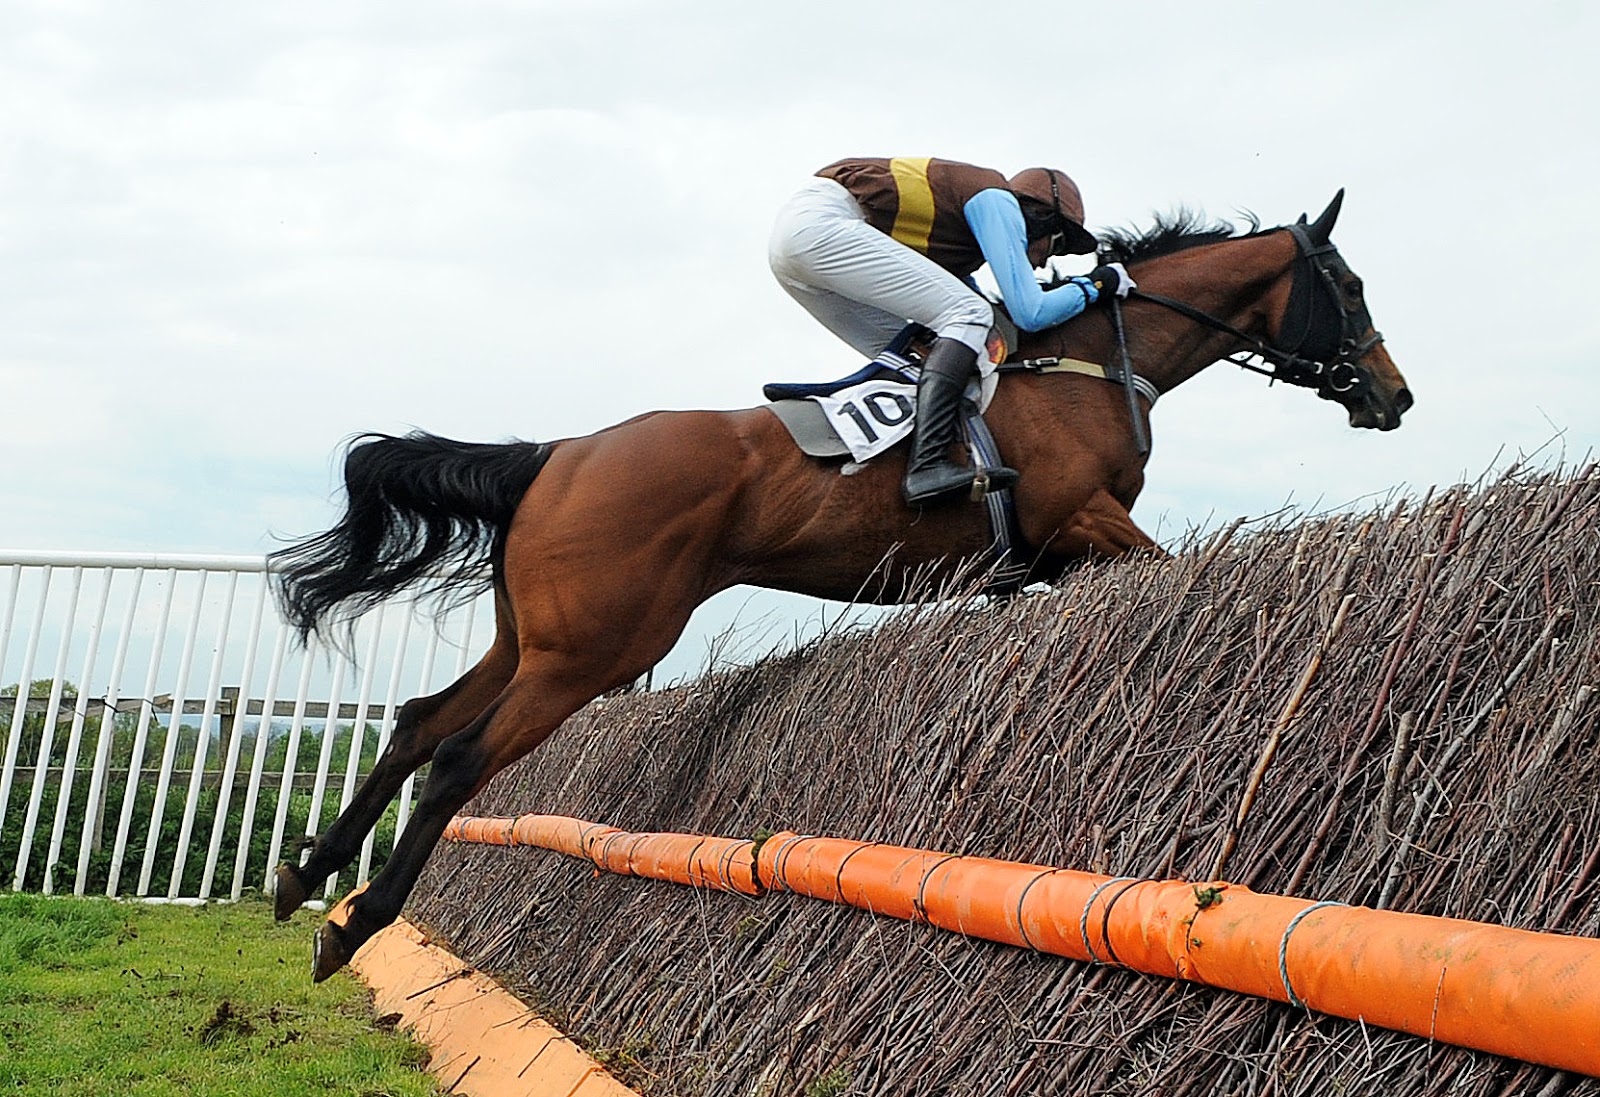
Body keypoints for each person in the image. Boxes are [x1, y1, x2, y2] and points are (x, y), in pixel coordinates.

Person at [769, 157, 1133, 506]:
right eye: (1056, 246)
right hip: (822, 225)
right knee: (967, 314)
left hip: (796, 245)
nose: (1043, 262)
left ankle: (835, 407)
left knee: (921, 348)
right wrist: (1097, 284)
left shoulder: (956, 243)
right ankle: (928, 465)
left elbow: (985, 323)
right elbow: (1030, 312)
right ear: (1038, 216)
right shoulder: (996, 199)